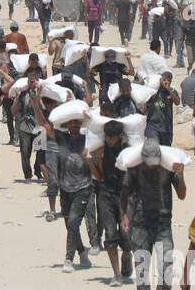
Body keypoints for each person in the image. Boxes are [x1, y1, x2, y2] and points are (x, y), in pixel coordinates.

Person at [121, 139, 185, 290]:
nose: (151, 167)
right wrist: (124, 215)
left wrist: (180, 176)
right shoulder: (134, 169)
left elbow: (182, 195)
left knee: (166, 266)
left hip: (163, 223)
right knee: (142, 268)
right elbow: (124, 192)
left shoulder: (168, 168)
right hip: (140, 223)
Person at [32, 98, 93, 273]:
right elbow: (43, 123)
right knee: (70, 225)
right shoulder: (61, 138)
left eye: (77, 122)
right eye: (71, 122)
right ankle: (82, 251)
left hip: (83, 188)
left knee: (73, 223)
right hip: (65, 189)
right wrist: (36, 104)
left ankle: (68, 259)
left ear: (80, 123)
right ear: (67, 124)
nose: (74, 125)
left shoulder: (88, 139)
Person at [89, 120, 129, 280]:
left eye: (113, 137)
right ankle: (117, 274)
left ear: (120, 136)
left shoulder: (128, 153)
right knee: (110, 234)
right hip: (105, 194)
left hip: (124, 196)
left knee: (126, 234)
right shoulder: (100, 152)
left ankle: (126, 254)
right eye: (108, 137)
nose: (110, 140)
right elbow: (99, 176)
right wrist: (90, 163)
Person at [143, 71, 180, 146]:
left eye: (168, 80)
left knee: (165, 151)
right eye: (164, 79)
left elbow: (177, 102)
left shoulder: (172, 91)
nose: (166, 82)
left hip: (166, 128)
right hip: (152, 126)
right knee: (153, 148)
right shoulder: (153, 91)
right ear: (160, 80)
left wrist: (168, 89)